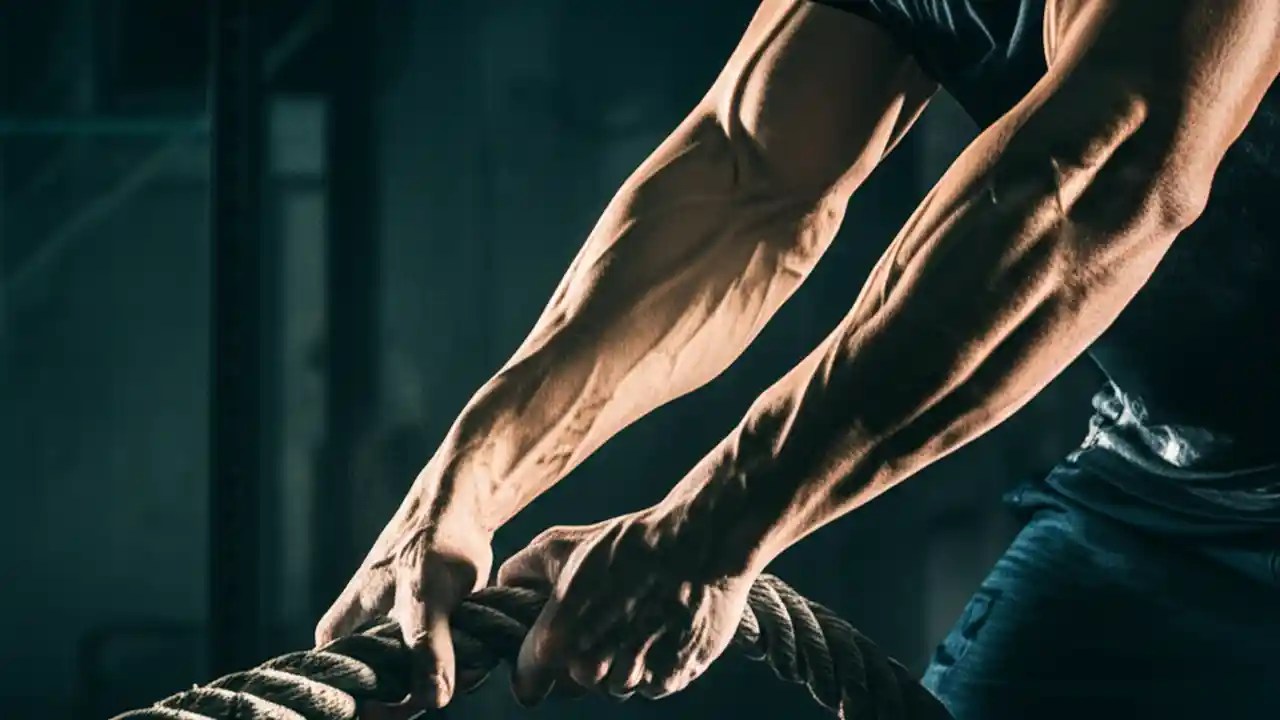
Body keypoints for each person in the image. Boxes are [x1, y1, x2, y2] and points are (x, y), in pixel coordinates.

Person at [315, 1, 1280, 717]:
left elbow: (1104, 173)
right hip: (1172, 501)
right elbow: (750, 177)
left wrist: (710, 529)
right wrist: (470, 478)